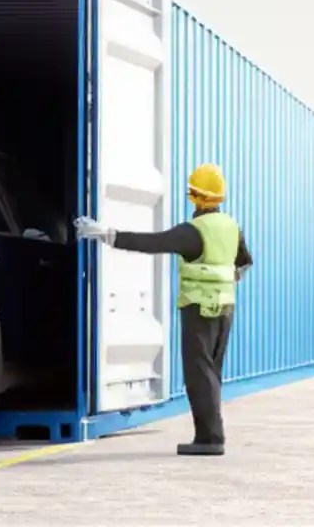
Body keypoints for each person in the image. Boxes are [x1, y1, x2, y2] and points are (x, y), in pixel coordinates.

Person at [73, 163, 252, 456]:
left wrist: (106, 234)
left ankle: (210, 439)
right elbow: (244, 262)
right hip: (225, 308)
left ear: (194, 196)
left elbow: (152, 243)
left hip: (199, 309)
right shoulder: (232, 227)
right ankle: (212, 434)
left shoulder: (193, 231)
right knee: (211, 372)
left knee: (198, 373)